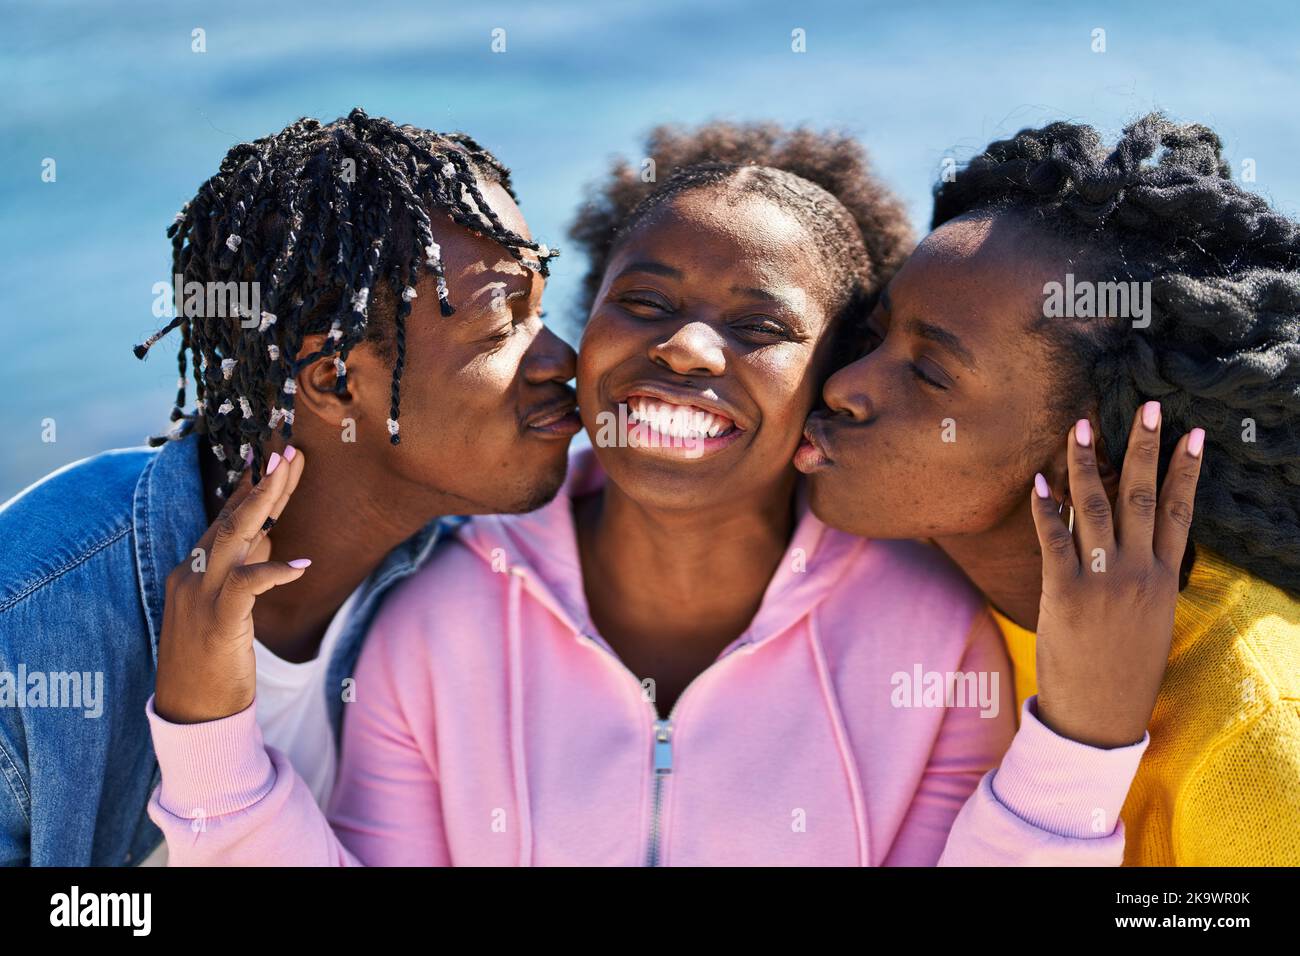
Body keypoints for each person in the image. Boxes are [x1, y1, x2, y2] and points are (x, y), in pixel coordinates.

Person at [143, 124, 1196, 865]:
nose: (686, 348)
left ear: (831, 384)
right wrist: (205, 737)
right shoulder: (434, 625)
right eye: (641, 302)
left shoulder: (933, 639)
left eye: (759, 325)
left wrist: (1077, 744)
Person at [0, 108, 580, 865]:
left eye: (543, 308)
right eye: (506, 325)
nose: (560, 357)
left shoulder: (480, 566)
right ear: (334, 381)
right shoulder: (30, 632)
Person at [797, 113, 1300, 865]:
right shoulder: (873, 569)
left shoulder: (1254, 728)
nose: (842, 386)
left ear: (1087, 453)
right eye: (874, 338)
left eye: (930, 374)